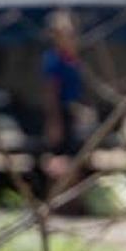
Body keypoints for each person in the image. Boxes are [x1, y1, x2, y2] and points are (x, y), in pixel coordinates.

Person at [41, 9, 86, 156]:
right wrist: (54, 122)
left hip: (75, 111)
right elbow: (51, 92)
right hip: (61, 112)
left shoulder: (74, 58)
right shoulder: (53, 60)